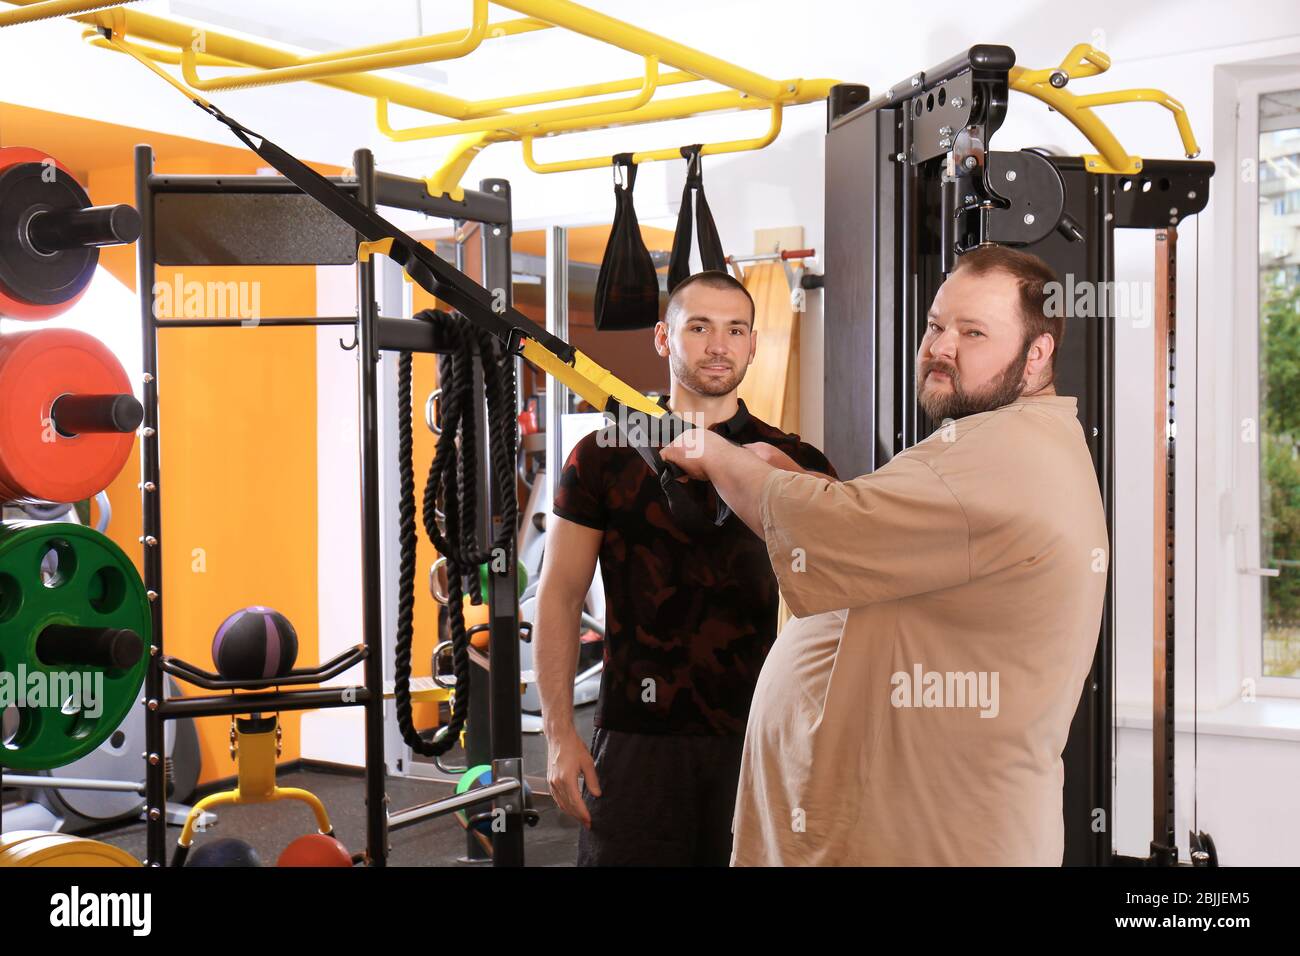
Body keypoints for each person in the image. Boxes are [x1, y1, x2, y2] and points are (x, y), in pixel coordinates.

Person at [661, 245, 1109, 865]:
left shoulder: (999, 452)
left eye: (973, 332)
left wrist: (715, 454)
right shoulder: (1004, 440)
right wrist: (792, 476)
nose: (942, 347)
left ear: (1037, 354)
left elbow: (835, 530)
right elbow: (890, 532)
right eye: (935, 325)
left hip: (936, 834)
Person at [535, 270, 836, 866]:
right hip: (633, 735)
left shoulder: (790, 458)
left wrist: (779, 473)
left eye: (734, 330)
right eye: (698, 327)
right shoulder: (603, 456)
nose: (718, 345)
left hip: (756, 733)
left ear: (753, 345)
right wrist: (558, 733)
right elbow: (561, 593)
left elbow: (849, 559)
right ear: (663, 338)